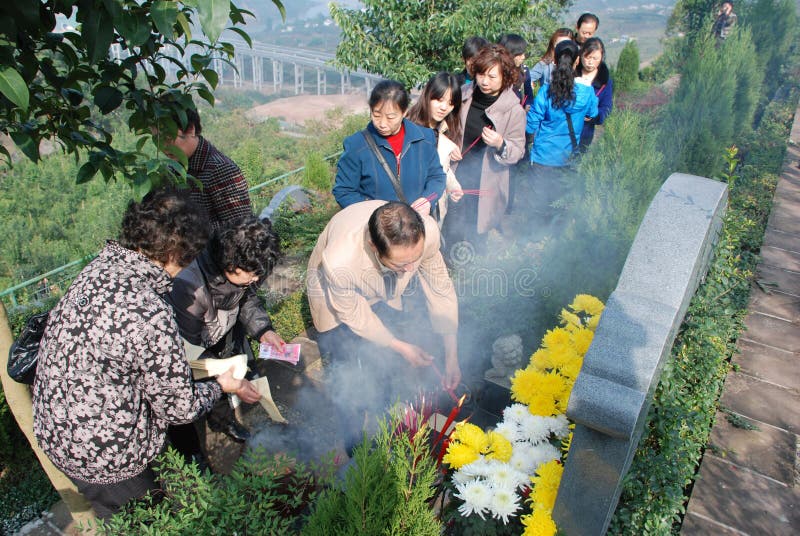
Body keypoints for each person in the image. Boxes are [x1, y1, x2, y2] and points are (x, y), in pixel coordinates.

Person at [32, 192, 261, 519]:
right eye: (186, 258)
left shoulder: (100, 267)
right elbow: (180, 408)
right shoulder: (149, 311)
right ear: (172, 251)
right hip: (103, 449)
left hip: (58, 428)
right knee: (146, 520)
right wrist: (223, 384)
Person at [306, 201, 460, 452]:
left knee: (381, 360)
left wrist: (452, 355)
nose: (411, 270)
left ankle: (388, 417)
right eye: (401, 264)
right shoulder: (338, 261)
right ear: (373, 247)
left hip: (378, 285)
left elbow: (439, 289)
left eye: (415, 259)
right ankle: (355, 447)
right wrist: (400, 345)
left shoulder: (426, 233)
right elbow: (354, 313)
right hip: (333, 296)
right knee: (345, 372)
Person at [167, 215, 284, 444]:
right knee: (212, 384)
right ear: (231, 265)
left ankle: (224, 417)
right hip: (196, 345)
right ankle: (218, 422)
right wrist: (226, 377)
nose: (256, 279)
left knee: (235, 371)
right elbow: (190, 354)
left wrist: (263, 330)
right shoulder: (189, 288)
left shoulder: (242, 271)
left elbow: (246, 300)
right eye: (252, 275)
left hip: (225, 332)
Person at [442, 44, 526, 258]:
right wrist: (448, 145)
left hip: (488, 180)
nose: (485, 81)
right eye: (481, 74)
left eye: (492, 76)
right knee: (451, 222)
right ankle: (449, 264)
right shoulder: (463, 96)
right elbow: (445, 126)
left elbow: (518, 150)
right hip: (457, 171)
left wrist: (500, 143)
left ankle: (474, 270)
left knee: (477, 229)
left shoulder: (513, 110)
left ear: (505, 77)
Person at [332, 80, 446, 219]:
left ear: (404, 112)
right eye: (376, 115)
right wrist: (375, 213)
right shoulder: (356, 145)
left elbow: (437, 177)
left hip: (416, 224)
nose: (382, 124)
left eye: (391, 117)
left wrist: (428, 200)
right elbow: (344, 191)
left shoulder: (425, 139)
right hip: (373, 228)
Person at [526, 40, 598, 227]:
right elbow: (593, 113)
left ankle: (534, 237)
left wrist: (527, 139)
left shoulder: (546, 91)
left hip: (543, 156)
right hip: (567, 157)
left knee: (538, 201)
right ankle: (555, 238)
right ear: (576, 62)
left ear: (555, 62)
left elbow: (532, 122)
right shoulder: (586, 91)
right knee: (561, 201)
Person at [165, 107, 253, 231]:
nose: (163, 146)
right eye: (156, 138)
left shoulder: (220, 169)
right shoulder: (172, 166)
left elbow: (241, 231)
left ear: (190, 129)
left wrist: (188, 231)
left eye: (168, 137)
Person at [406, 71, 465, 225]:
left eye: (451, 103)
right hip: (408, 205)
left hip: (435, 208)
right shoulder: (406, 126)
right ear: (427, 95)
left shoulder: (446, 128)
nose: (444, 107)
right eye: (439, 100)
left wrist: (453, 186)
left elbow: (440, 168)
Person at [575, 37, 614, 148]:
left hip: (585, 133)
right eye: (588, 57)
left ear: (602, 58)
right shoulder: (572, 73)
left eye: (595, 58)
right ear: (581, 55)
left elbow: (606, 106)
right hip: (563, 129)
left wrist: (595, 116)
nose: (590, 62)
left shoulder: (604, 81)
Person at [498, 34, 534, 110]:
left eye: (524, 53)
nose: (523, 57)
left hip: (516, 110)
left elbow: (528, 91)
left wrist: (528, 103)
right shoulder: (496, 71)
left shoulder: (523, 70)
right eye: (520, 54)